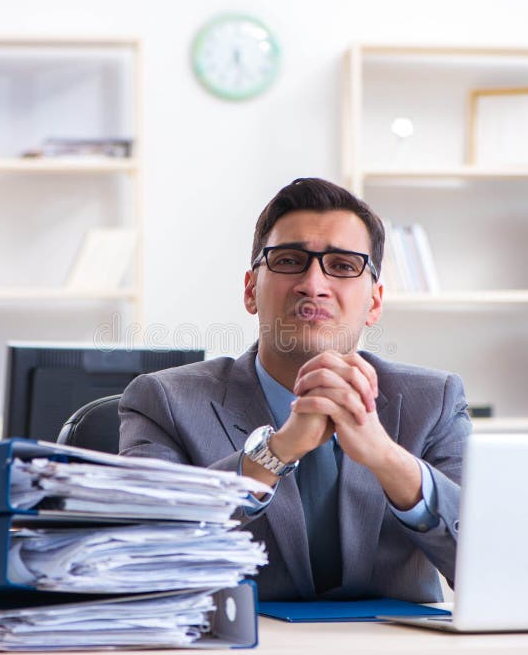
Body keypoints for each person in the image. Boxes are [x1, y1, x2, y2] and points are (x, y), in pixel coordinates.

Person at [119, 177, 470, 602]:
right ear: (251, 290)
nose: (313, 284)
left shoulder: (435, 402)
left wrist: (386, 457)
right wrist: (276, 451)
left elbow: (497, 566)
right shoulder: (162, 401)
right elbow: (141, 557)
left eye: (342, 266)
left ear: (374, 302)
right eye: (289, 261)